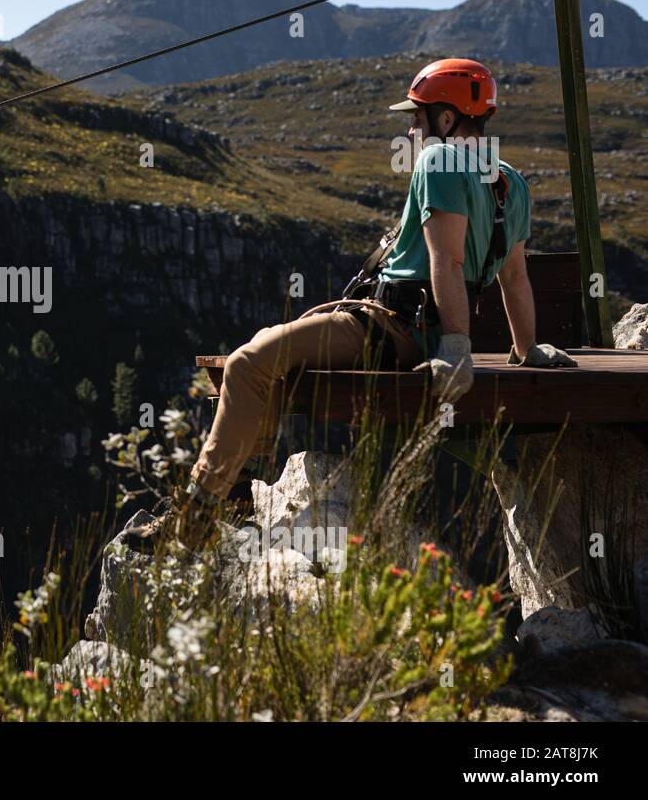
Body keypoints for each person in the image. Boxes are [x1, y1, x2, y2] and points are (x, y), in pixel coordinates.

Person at [175, 59, 576, 549]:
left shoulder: (439, 161)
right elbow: (515, 276)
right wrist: (526, 348)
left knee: (246, 364)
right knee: (265, 347)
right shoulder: (511, 180)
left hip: (393, 329)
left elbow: (445, 262)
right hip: (407, 328)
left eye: (418, 116)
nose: (412, 127)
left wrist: (455, 348)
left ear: (446, 119)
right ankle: (237, 491)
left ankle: (196, 514)